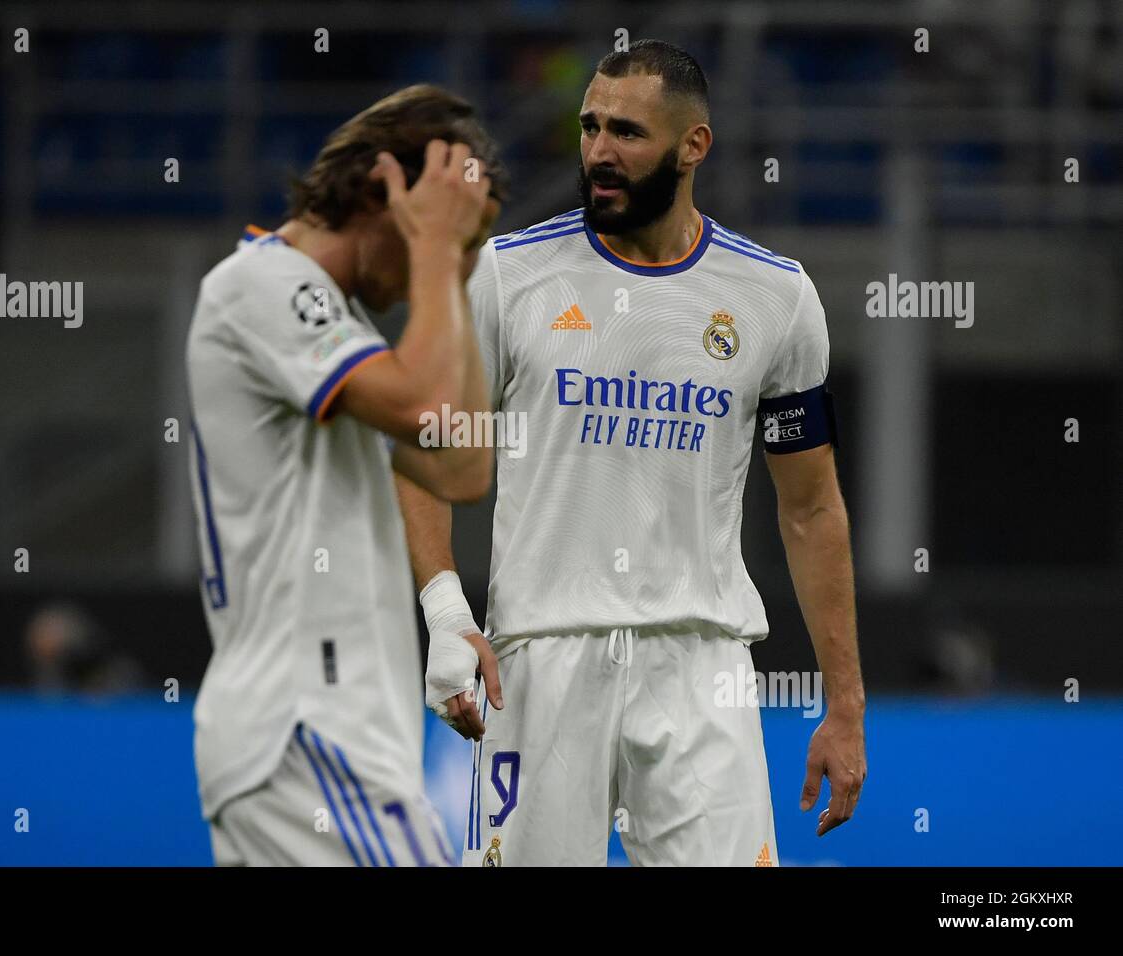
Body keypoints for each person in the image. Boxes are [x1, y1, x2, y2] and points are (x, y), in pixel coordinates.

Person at [399, 41, 867, 866]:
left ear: (695, 147)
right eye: (589, 127)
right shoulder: (507, 277)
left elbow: (811, 505)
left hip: (702, 664)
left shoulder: (777, 298)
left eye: (627, 131)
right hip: (542, 659)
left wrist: (845, 703)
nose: (600, 152)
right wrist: (443, 614)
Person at [186, 85, 504, 865]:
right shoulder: (259, 284)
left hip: (308, 743)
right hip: (307, 731)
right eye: (446, 226)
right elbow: (430, 406)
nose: (455, 254)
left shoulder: (341, 327)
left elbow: (461, 464)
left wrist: (447, 265)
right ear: (381, 193)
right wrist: (433, 250)